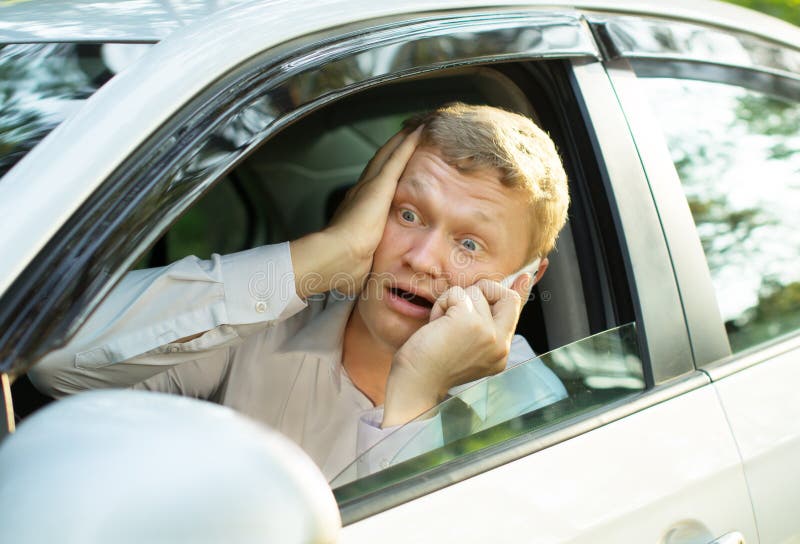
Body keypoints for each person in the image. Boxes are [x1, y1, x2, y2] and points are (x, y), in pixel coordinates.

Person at [28, 103, 570, 481]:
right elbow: (49, 355)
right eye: (407, 214)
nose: (423, 259)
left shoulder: (539, 413)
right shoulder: (261, 324)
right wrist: (327, 253)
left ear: (522, 283)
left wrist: (415, 397)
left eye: (470, 244)